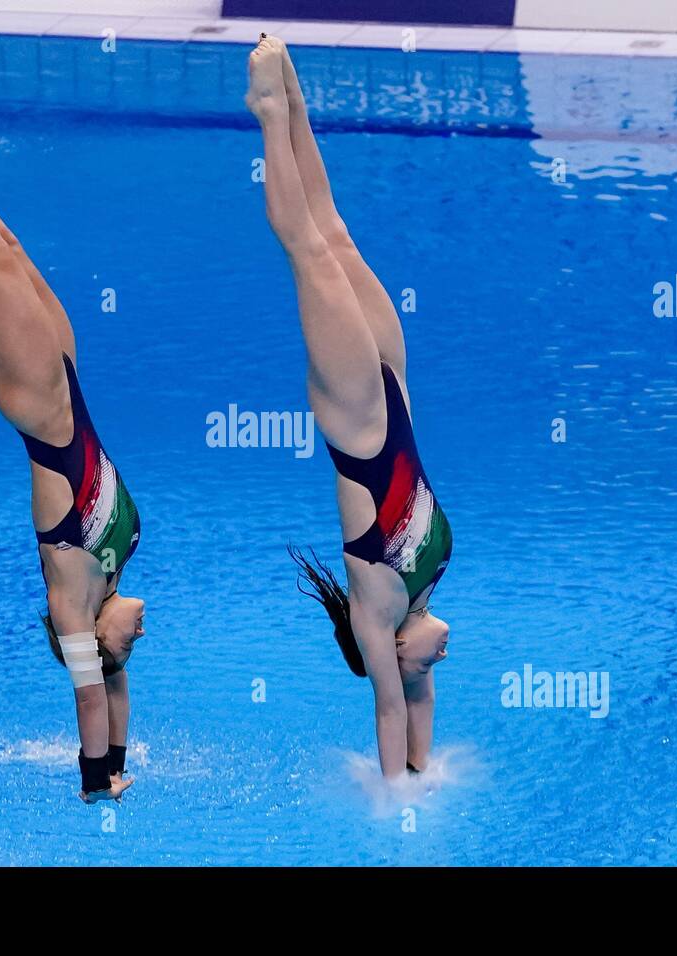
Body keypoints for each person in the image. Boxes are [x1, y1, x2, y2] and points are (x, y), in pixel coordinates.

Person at [0, 35, 144, 803]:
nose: (141, 635)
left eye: (125, 647)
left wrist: (100, 778)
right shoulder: (111, 575)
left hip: (39, 404)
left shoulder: (74, 610)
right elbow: (116, 693)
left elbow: (89, 696)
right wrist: (125, 753)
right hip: (65, 386)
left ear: (97, 644)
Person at [247, 36, 453, 779]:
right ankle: (296, 101)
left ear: (395, 657)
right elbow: (422, 702)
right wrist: (431, 771)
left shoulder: (380, 616)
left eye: (423, 665)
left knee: (307, 248)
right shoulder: (424, 590)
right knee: (333, 228)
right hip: (396, 390)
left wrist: (399, 796)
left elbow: (393, 707)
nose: (445, 656)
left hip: (360, 429)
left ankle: (268, 113)